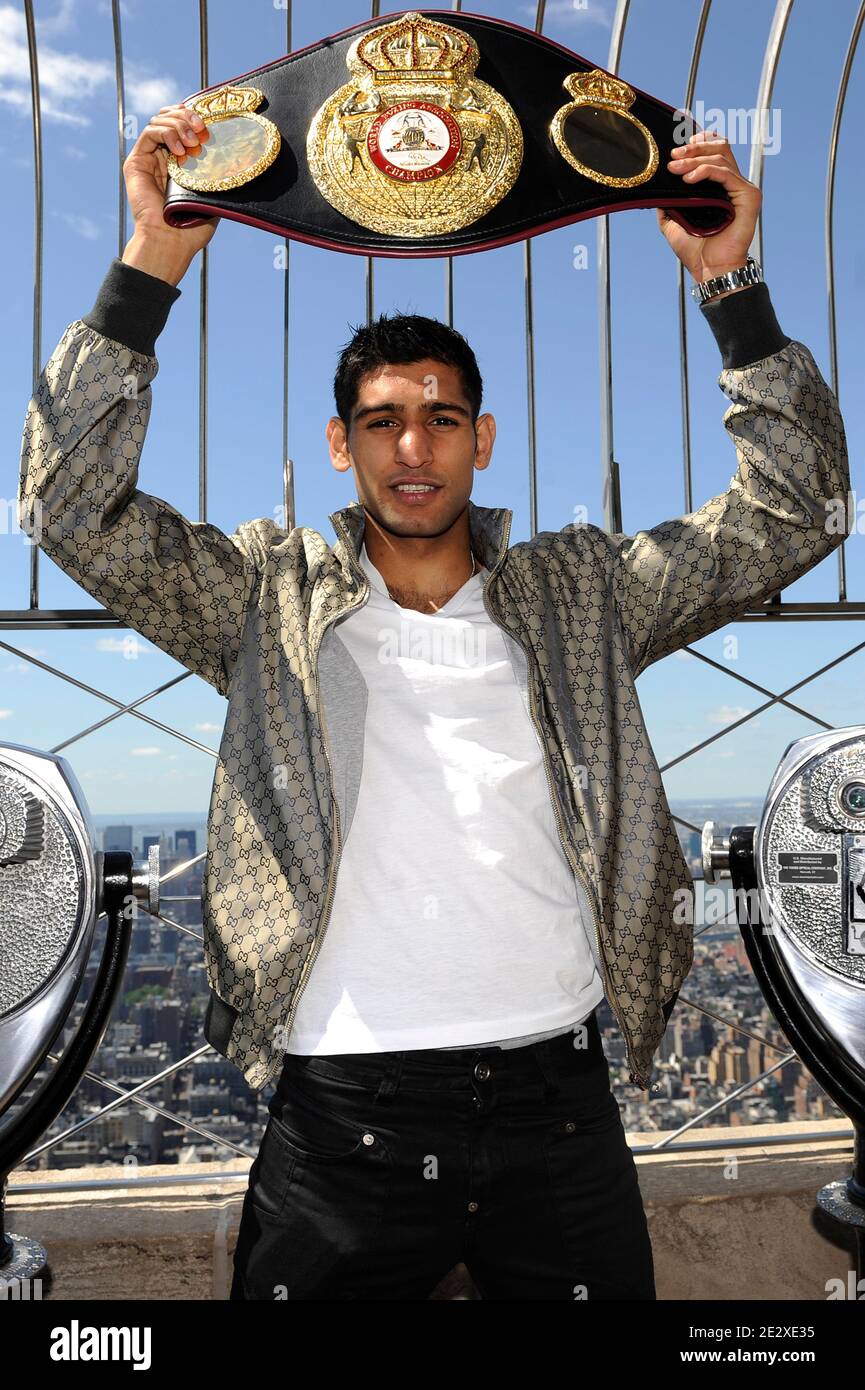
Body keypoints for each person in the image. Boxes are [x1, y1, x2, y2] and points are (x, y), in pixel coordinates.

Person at [18, 104, 849, 1300]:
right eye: (382, 421)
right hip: (338, 1113)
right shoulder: (263, 597)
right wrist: (152, 260)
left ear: (483, 438)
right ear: (341, 445)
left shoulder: (581, 595)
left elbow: (796, 512)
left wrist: (733, 289)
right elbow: (67, 507)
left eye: (442, 418)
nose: (414, 447)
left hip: (556, 1106)